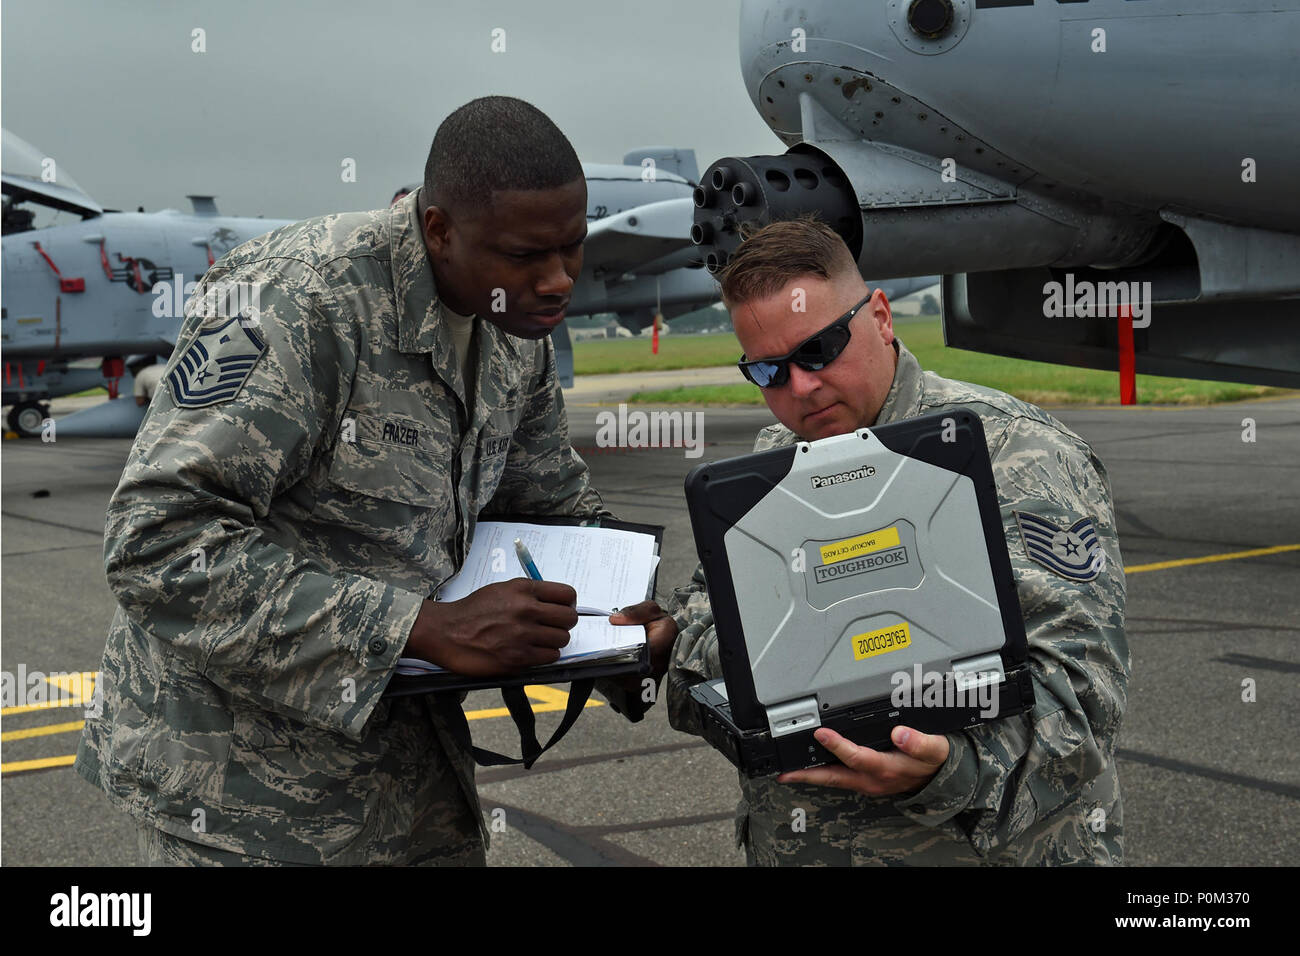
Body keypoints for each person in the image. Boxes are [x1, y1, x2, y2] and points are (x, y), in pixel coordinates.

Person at [75, 96, 673, 866]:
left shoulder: (513, 327)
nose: (558, 281)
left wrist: (618, 630)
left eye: (572, 247)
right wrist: (421, 629)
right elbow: (157, 542)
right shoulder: (297, 300)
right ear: (439, 230)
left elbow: (549, 501)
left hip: (415, 785)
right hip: (242, 804)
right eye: (527, 256)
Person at [627, 216, 1129, 865]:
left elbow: (1081, 705)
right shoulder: (774, 462)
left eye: (820, 349)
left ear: (882, 317)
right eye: (770, 371)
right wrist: (667, 640)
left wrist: (944, 770)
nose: (801, 388)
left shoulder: (1020, 459)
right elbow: (712, 630)